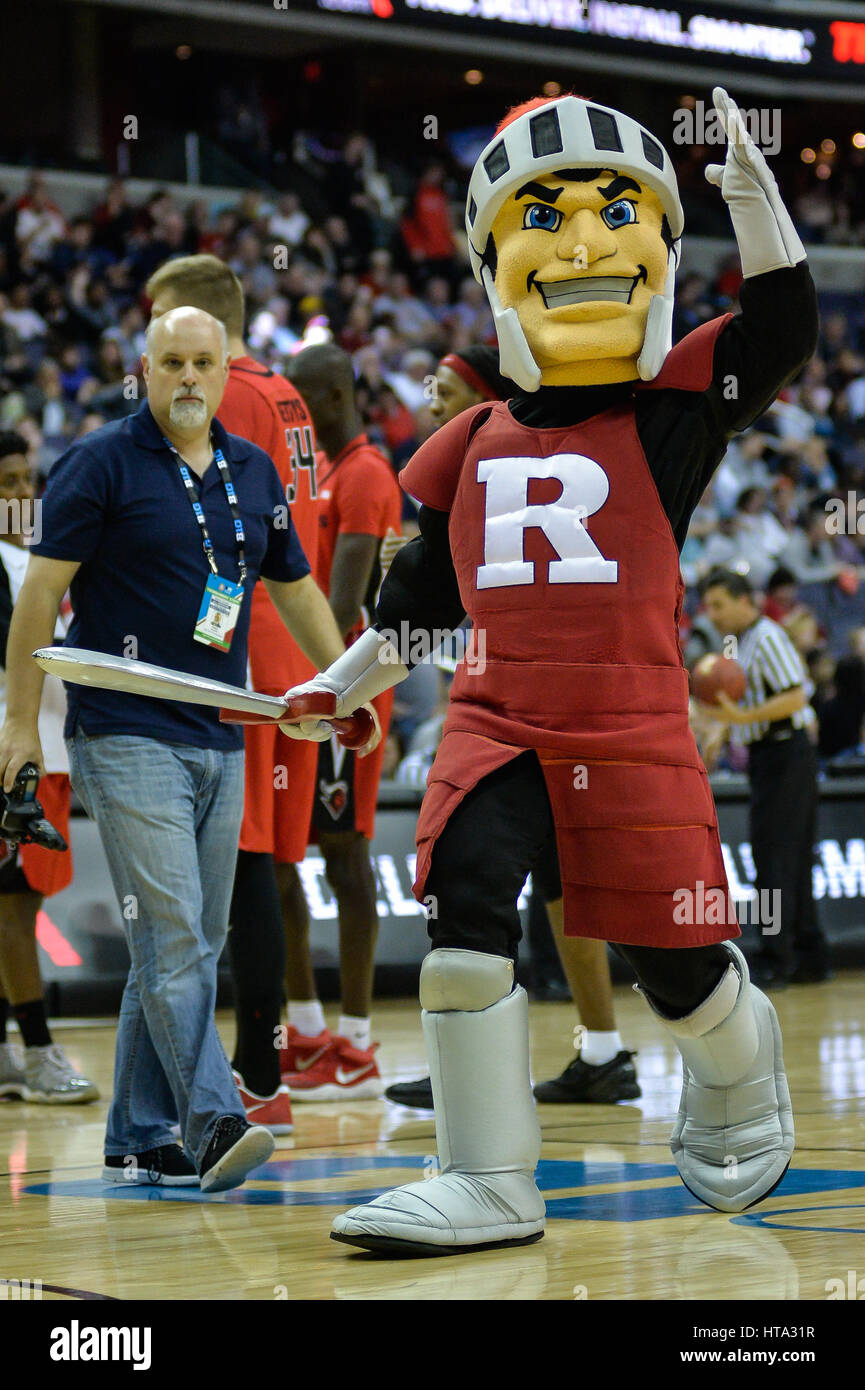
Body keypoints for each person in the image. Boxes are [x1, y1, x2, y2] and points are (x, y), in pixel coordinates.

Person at [284, 87, 818, 1253]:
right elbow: (419, 614)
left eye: (617, 210)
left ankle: (740, 1054)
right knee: (464, 895)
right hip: (500, 715)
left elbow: (776, 334)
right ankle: (486, 1176)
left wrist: (754, 201)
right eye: (545, 215)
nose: (581, 243)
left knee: (671, 964)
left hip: (628, 722)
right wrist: (343, 687)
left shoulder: (672, 415)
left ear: (662, 246)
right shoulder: (464, 445)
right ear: (492, 258)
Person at [0, 306, 350, 1192]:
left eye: (204, 363)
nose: (189, 378)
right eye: (172, 364)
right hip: (123, 731)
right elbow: (38, 601)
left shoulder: (252, 468)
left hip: (221, 732)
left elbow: (299, 591)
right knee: (173, 934)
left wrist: (344, 689)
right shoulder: (98, 462)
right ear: (144, 372)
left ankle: (137, 1130)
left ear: (226, 371)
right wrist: (18, 724)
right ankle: (212, 1120)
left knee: (187, 936)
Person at [385, 346, 640, 1111]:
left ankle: (487, 1062)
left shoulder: (504, 466)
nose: (432, 398)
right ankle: (595, 1052)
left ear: (494, 402)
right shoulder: (470, 467)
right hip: (517, 695)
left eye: (450, 389)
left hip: (538, 701)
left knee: (491, 881)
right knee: (551, 890)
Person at [145, 253, 320, 1134]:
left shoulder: (225, 400)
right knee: (269, 866)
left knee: (245, 869)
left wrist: (203, 644)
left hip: (243, 653)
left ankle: (258, 1071)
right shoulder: (286, 393)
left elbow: (226, 545)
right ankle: (280, 1054)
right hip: (297, 656)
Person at [271, 343, 401, 1101]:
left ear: (326, 397)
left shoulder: (364, 474)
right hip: (314, 690)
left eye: (299, 403)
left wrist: (319, 689)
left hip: (345, 693)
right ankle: (309, 1029)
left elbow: (345, 604)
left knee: (344, 858)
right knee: (291, 856)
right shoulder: (333, 473)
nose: (293, 417)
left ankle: (354, 1043)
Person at [0, 430, 98, 1104]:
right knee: (12, 898)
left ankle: (9, 1054)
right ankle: (37, 1053)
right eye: (8, 483)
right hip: (13, 753)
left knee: (21, 896)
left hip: (53, 748)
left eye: (26, 480)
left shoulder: (44, 560)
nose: (23, 494)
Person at [699, 568, 831, 987]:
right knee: (789, 858)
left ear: (744, 601)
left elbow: (796, 694)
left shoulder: (769, 636)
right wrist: (725, 728)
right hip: (768, 754)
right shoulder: (737, 642)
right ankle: (811, 955)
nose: (713, 615)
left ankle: (776, 958)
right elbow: (743, 694)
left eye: (720, 605)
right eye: (709, 607)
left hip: (787, 752)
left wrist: (741, 719)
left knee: (773, 859)